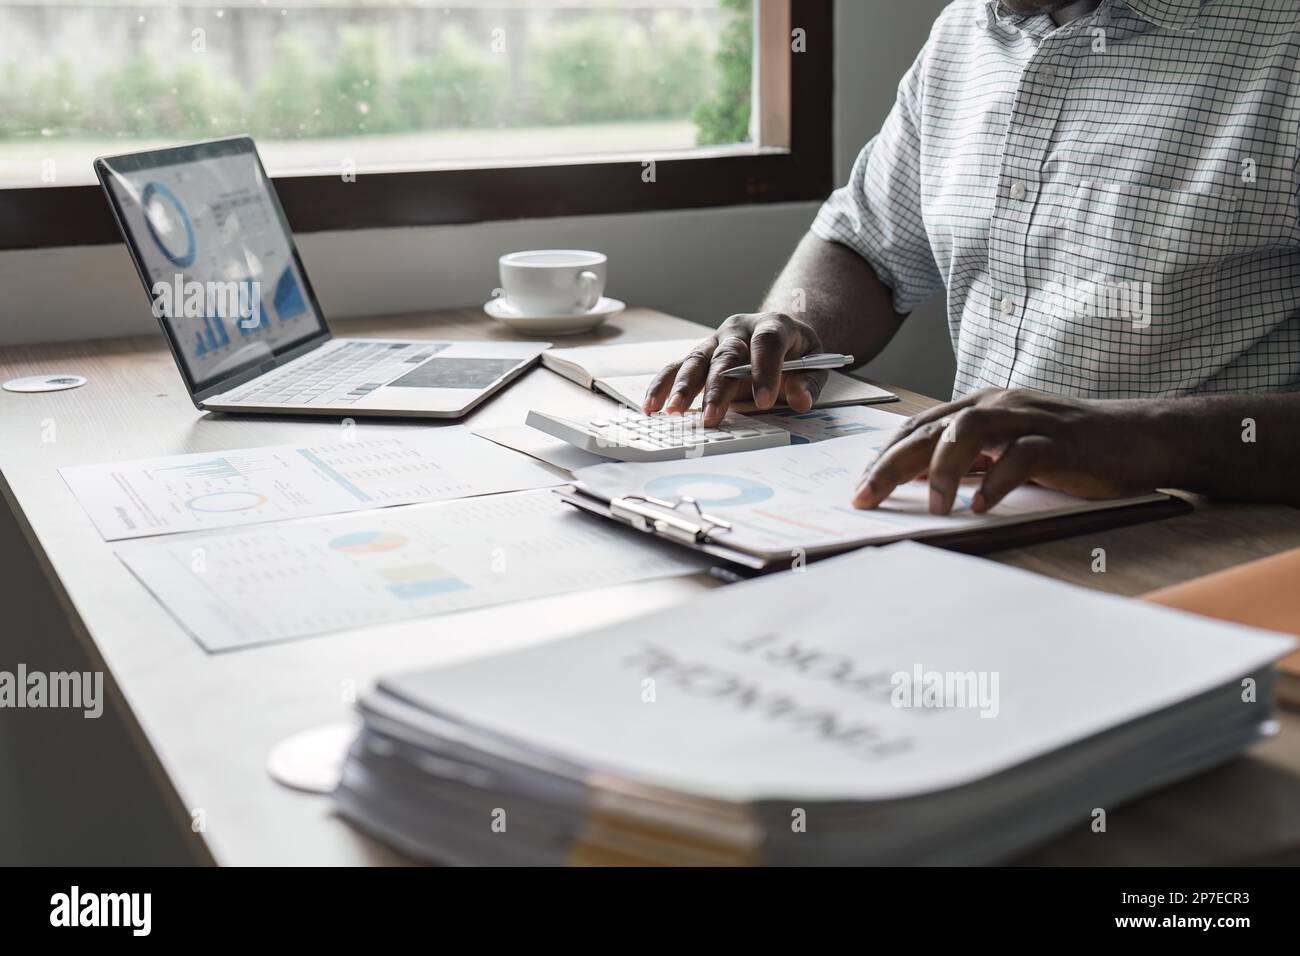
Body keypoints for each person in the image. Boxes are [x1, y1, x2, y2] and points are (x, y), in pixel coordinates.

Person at [643, 0, 1300, 515]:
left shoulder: (1282, 38)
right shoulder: (966, 30)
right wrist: (794, 325)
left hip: (1208, 537)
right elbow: (865, 247)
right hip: (971, 512)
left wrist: (1148, 438)